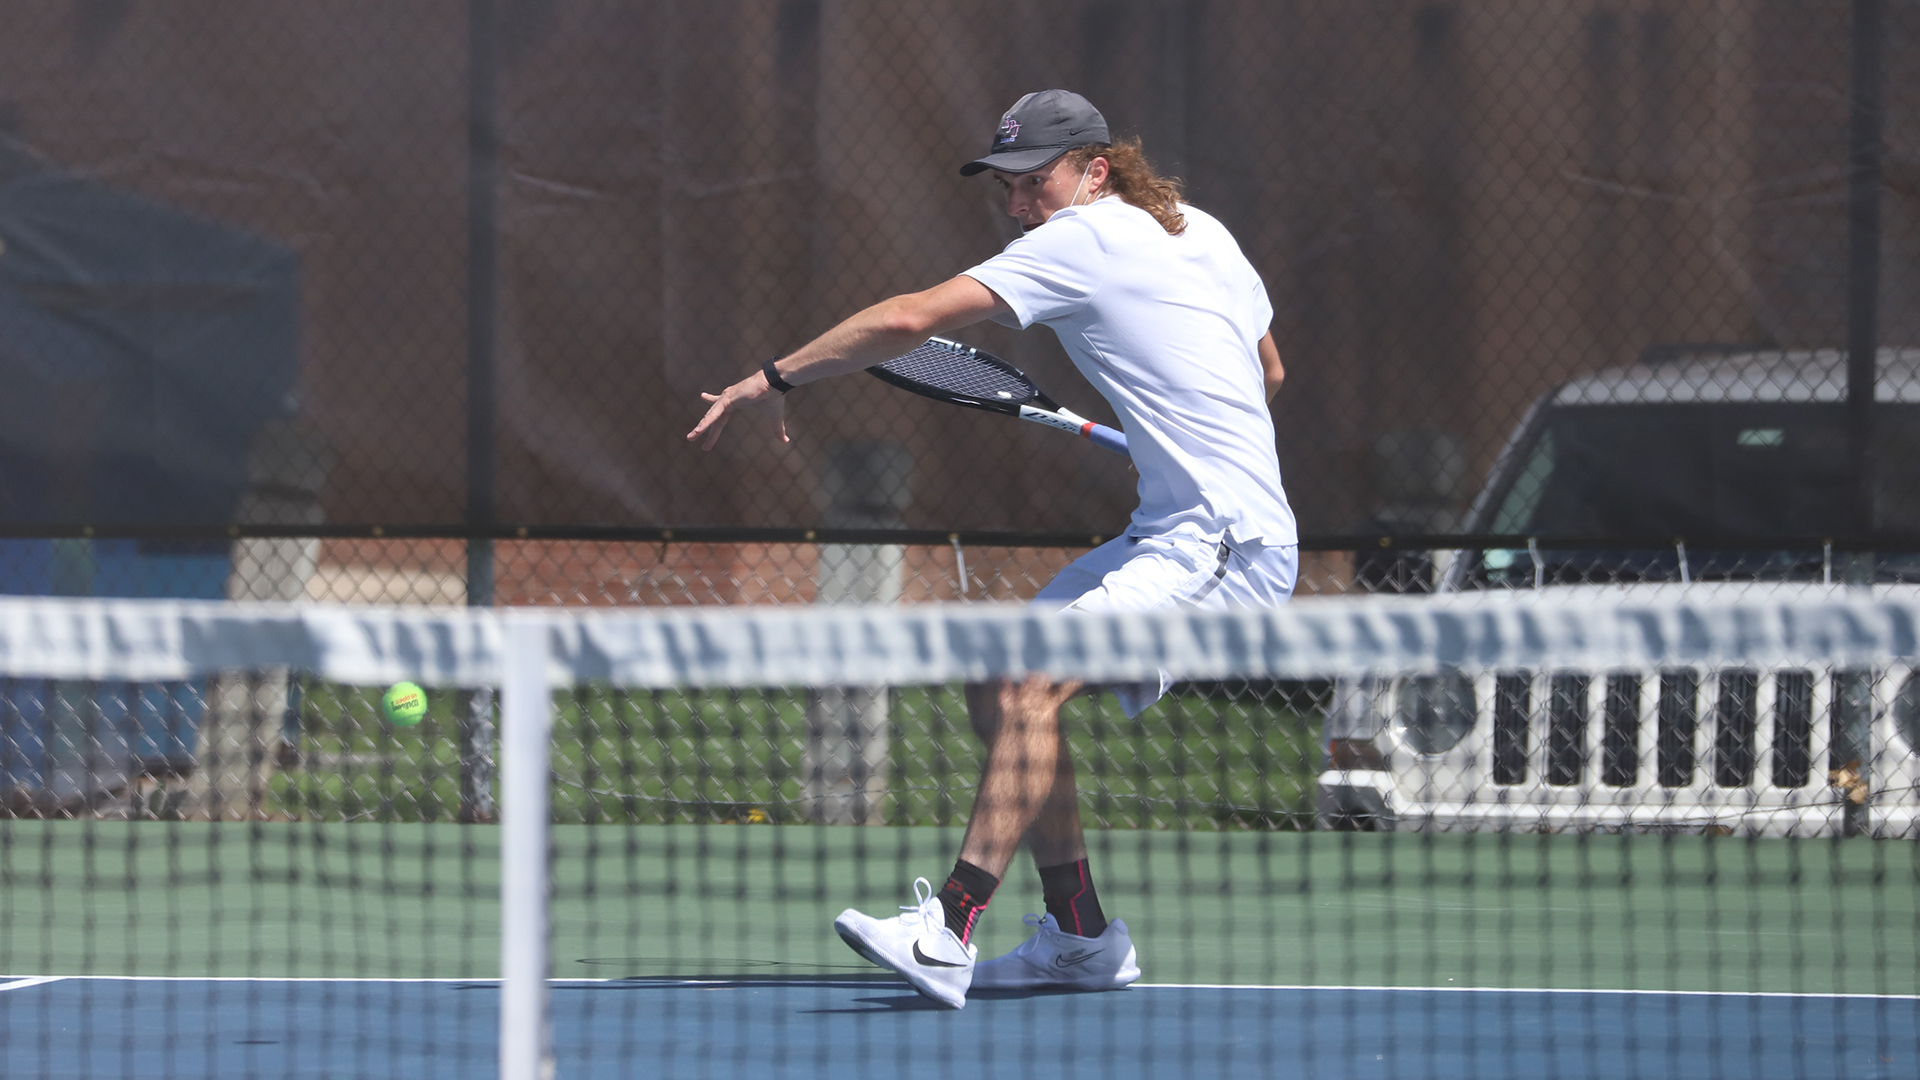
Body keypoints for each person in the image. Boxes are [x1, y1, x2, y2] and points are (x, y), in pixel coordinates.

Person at [687, 89, 1297, 1009]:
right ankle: (1081, 936)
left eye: (1033, 181)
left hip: (1222, 545)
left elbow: (906, 319)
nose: (1018, 204)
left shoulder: (1081, 237)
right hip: (1181, 529)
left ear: (1096, 170)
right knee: (998, 677)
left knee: (1030, 683)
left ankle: (949, 930)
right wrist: (1197, 434)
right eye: (1005, 185)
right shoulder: (1198, 229)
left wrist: (774, 379)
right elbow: (1270, 371)